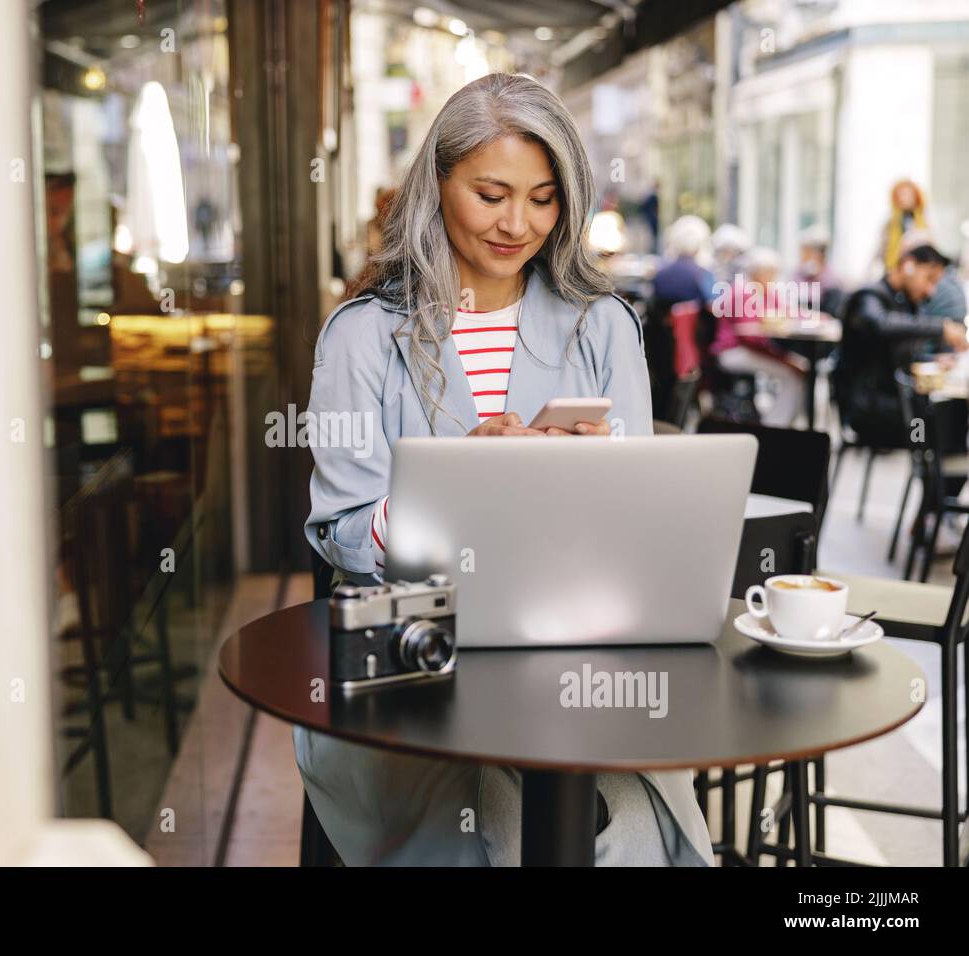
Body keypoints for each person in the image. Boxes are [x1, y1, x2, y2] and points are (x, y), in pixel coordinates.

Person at [300, 72, 714, 867]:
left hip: (572, 658)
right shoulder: (361, 338)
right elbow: (342, 534)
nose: (518, 223)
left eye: (544, 198)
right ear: (438, 184)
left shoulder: (603, 328)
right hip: (414, 666)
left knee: (616, 818)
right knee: (517, 822)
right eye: (491, 194)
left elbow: (641, 536)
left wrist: (608, 488)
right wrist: (458, 487)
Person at [836, 240, 968, 447]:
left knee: (952, 419)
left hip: (895, 408)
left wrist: (933, 360)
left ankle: (933, 472)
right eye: (929, 279)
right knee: (940, 426)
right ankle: (928, 463)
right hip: (870, 415)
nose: (931, 291)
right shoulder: (868, 298)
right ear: (908, 265)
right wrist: (941, 328)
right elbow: (880, 325)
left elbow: (895, 355)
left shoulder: (902, 302)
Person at [710, 247, 807, 427]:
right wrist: (784, 359)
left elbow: (786, 312)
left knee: (797, 371)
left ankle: (779, 424)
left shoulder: (764, 290)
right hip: (733, 351)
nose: (774, 278)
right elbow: (749, 336)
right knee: (793, 375)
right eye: (771, 273)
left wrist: (811, 317)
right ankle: (776, 426)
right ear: (760, 271)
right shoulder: (743, 292)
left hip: (749, 348)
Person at [647, 215, 715, 414]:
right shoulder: (703, 274)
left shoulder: (660, 272)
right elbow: (713, 306)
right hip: (691, 343)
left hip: (660, 343)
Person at [794, 224, 845, 318]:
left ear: (819, 255)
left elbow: (831, 316)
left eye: (806, 252)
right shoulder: (798, 275)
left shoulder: (833, 283)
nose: (802, 258)